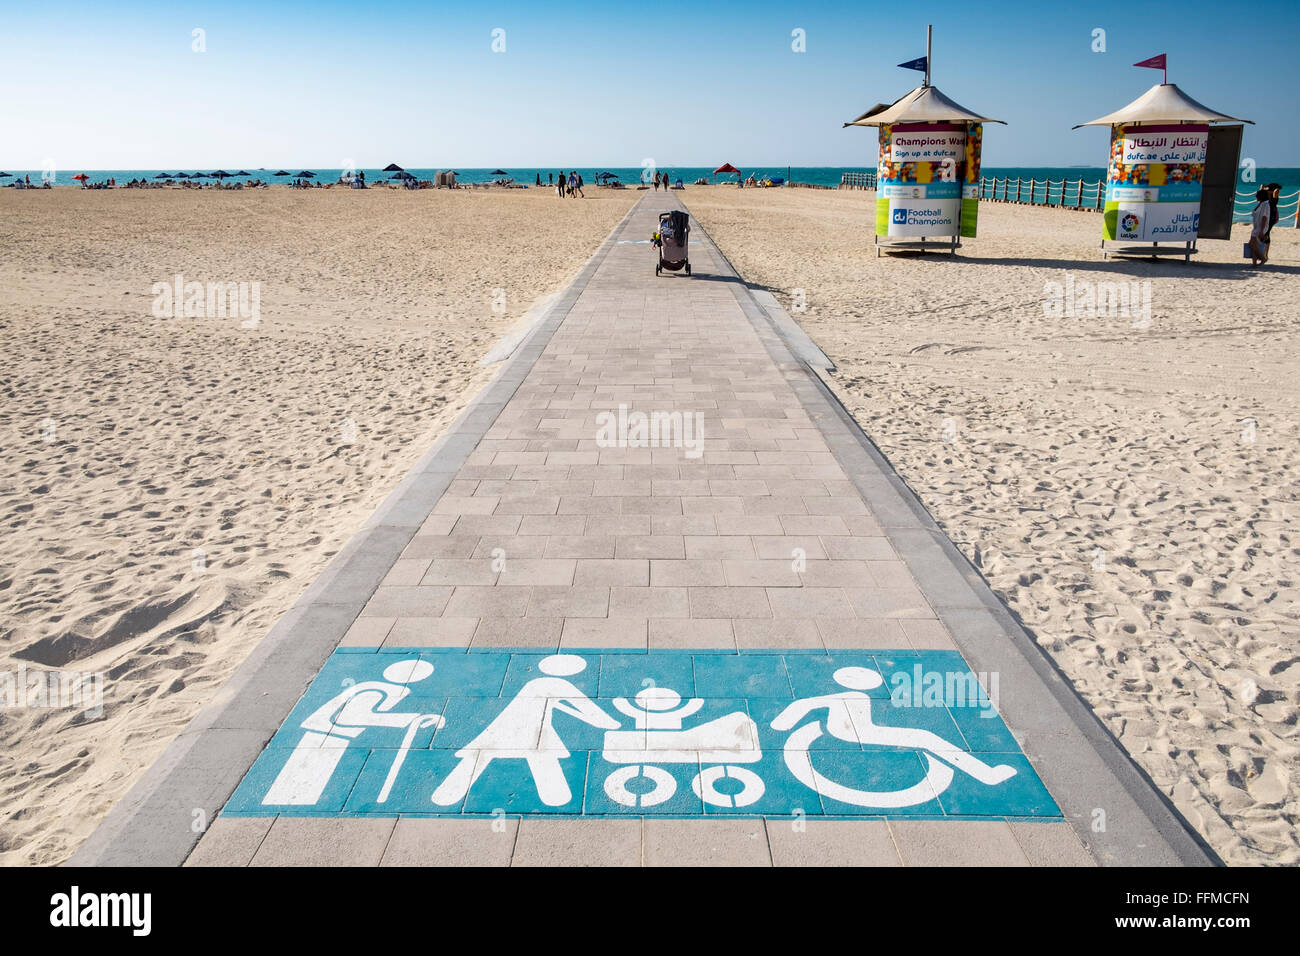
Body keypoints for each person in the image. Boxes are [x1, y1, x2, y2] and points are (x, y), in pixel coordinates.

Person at [1249, 187, 1271, 267]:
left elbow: (1264, 217)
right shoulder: (1261, 204)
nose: (1256, 197)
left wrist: (1262, 231)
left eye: (1257, 195)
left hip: (1261, 227)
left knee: (1252, 244)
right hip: (1256, 227)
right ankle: (1254, 263)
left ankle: (1263, 258)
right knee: (1253, 245)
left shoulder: (1266, 204)